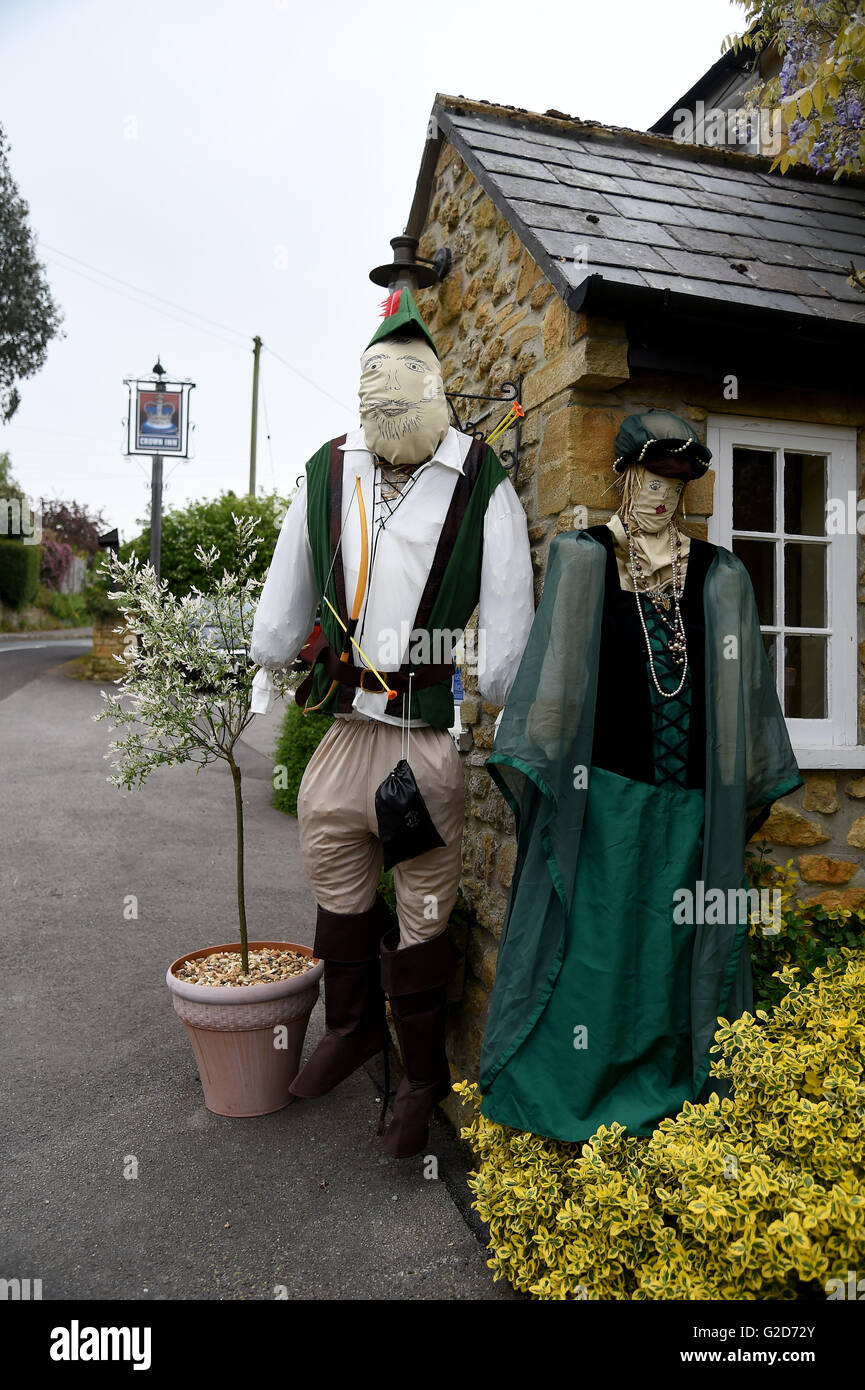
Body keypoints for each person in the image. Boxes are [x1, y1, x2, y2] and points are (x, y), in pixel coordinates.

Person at [250, 287, 534, 1157]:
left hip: (420, 739)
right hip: (346, 729)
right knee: (329, 847)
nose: (381, 409)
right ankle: (351, 1026)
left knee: (421, 897)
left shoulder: (483, 480)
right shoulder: (328, 468)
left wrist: (481, 702)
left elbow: (511, 622)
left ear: (430, 390)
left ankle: (419, 1080)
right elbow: (282, 598)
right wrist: (268, 659)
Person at [478, 409, 803, 1143]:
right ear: (621, 476)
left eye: (676, 481)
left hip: (691, 811)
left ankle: (678, 1106)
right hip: (603, 809)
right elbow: (552, 694)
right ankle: (571, 1106)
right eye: (648, 477)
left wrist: (723, 798)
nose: (660, 494)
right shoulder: (583, 559)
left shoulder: (722, 576)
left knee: (676, 954)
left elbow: (743, 702)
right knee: (595, 955)